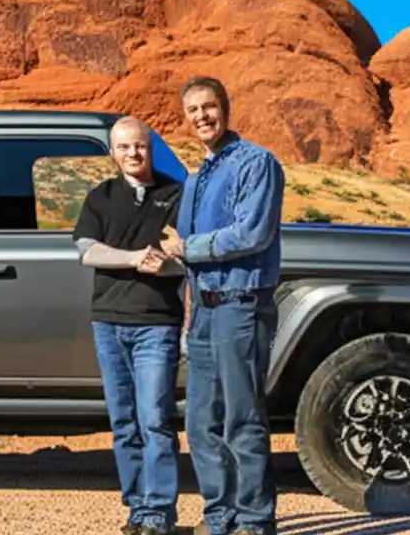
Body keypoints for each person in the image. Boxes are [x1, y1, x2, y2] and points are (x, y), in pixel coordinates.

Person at [159, 76, 284, 535]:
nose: (201, 117)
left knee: (242, 418)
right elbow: (181, 252)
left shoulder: (257, 163)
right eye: (192, 111)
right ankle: (219, 514)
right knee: (201, 422)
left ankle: (254, 519)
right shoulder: (196, 179)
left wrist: (188, 247)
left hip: (241, 307)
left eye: (208, 107)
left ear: (225, 109)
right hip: (206, 313)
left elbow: (253, 234)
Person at [72, 115, 187, 535]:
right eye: (124, 147)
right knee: (124, 421)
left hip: (156, 323)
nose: (133, 154)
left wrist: (169, 264)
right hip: (108, 321)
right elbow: (87, 251)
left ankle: (159, 511)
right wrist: (135, 257)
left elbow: (186, 255)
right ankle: (137, 509)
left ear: (150, 148)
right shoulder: (100, 197)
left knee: (155, 417)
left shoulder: (176, 195)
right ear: (112, 152)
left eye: (139, 146)